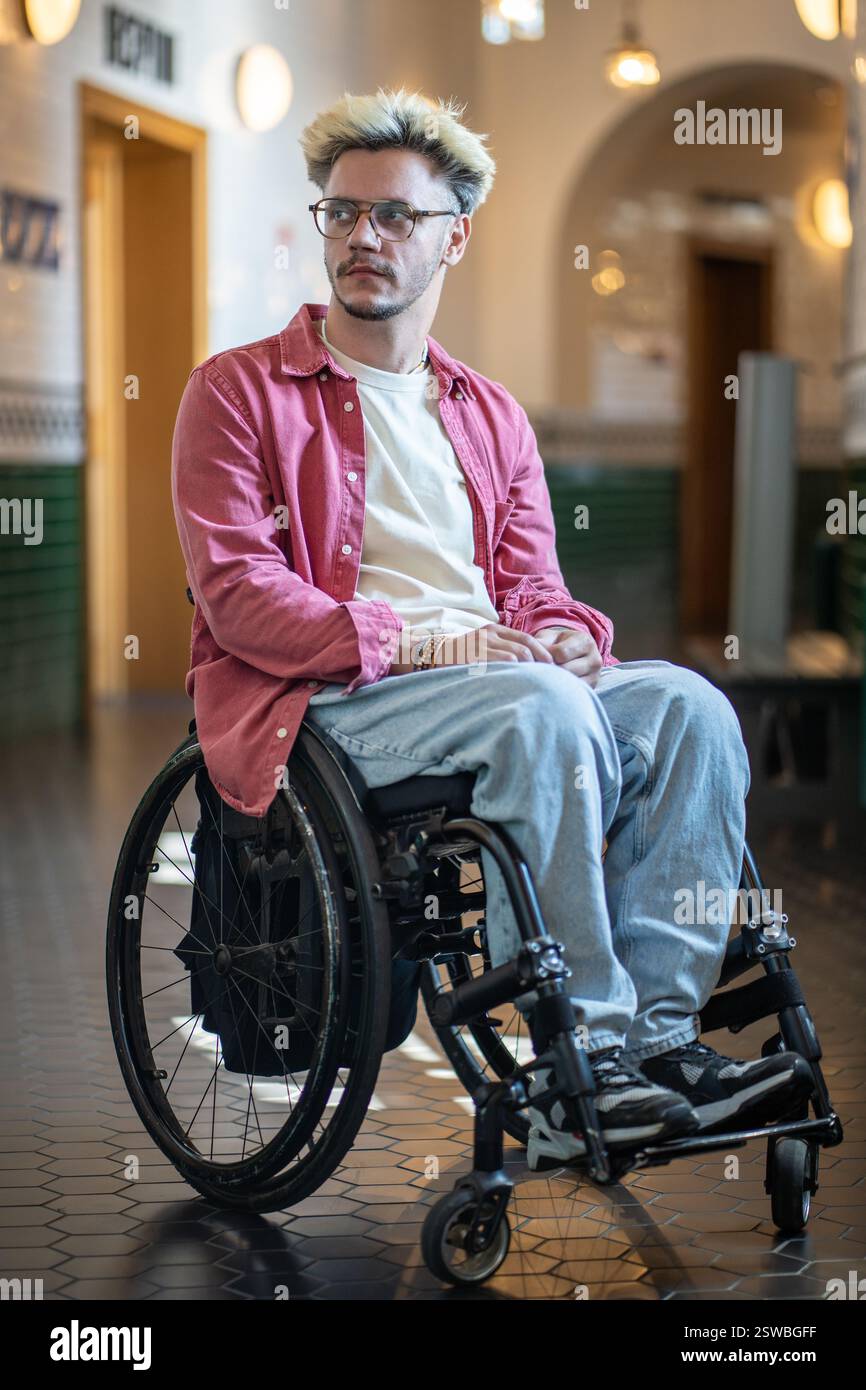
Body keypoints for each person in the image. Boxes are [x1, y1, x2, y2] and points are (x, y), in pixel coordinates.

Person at [171, 87, 813, 1170]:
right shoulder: (238, 392)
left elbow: (535, 590)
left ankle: (653, 1045)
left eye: (394, 217)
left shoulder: (487, 412)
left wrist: (566, 633)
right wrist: (428, 643)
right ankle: (582, 1061)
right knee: (538, 709)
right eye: (341, 212)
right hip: (332, 699)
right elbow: (237, 598)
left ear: (451, 237)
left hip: (497, 680)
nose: (361, 237)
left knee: (690, 707)